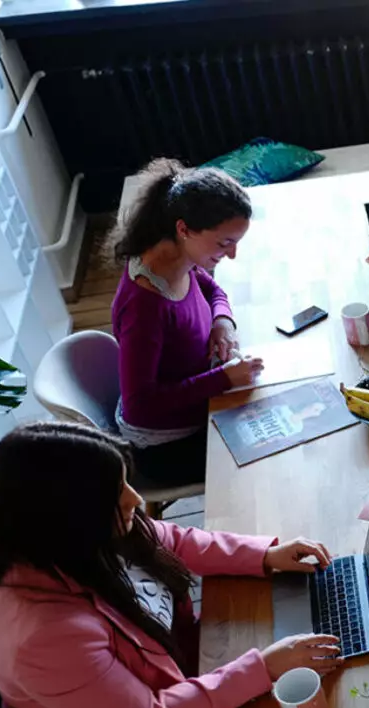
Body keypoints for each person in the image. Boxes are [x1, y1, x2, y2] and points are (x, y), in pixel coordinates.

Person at [0, 423, 341, 708]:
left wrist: (265, 555)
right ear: (66, 512)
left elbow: (173, 540)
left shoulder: (78, 537)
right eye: (117, 492)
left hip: (191, 672)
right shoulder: (41, 638)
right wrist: (263, 668)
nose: (136, 499)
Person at [110, 159, 264, 487]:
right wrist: (221, 379)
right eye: (224, 243)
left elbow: (211, 288)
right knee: (267, 456)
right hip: (165, 445)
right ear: (184, 229)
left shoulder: (176, 255)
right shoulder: (144, 305)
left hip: (197, 395)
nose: (232, 254)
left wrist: (223, 321)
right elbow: (142, 406)